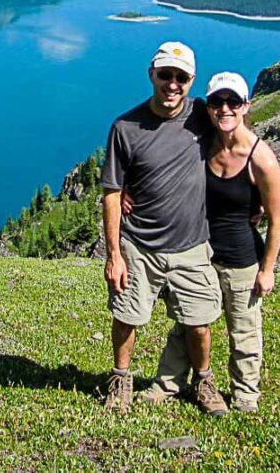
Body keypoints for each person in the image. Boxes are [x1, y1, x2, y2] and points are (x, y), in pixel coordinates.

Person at [139, 71, 280, 413]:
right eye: (217, 101)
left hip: (241, 258)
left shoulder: (260, 158)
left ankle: (246, 394)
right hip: (199, 251)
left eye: (233, 101)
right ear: (208, 107)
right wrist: (130, 193)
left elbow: (277, 219)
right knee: (189, 322)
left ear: (246, 106)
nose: (225, 108)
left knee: (244, 330)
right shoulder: (202, 145)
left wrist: (268, 270)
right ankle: (169, 383)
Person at [100, 41, 229, 415]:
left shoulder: (203, 116)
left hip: (191, 245)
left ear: (191, 81)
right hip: (138, 245)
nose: (172, 84)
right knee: (126, 317)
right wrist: (114, 255)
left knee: (199, 323)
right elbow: (111, 192)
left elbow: (238, 144)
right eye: (165, 75)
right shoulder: (125, 127)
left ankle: (203, 381)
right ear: (151, 75)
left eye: (181, 77)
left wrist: (252, 201)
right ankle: (120, 379)